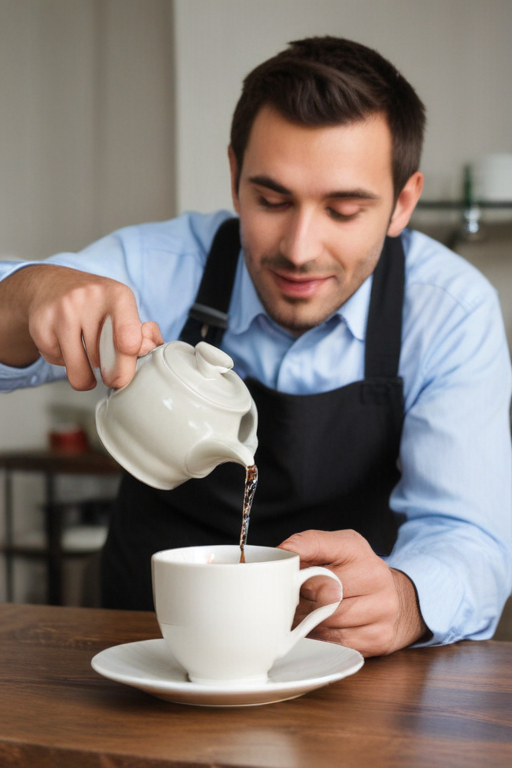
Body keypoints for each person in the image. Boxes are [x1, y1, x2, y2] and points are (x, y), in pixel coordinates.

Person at [0, 37, 510, 658]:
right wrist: (24, 296)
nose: (299, 248)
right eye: (271, 201)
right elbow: (28, 307)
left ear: (403, 203)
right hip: (142, 652)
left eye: (344, 210)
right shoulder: (163, 265)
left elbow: (469, 538)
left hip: (343, 673)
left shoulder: (450, 312)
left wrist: (406, 598)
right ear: (235, 175)